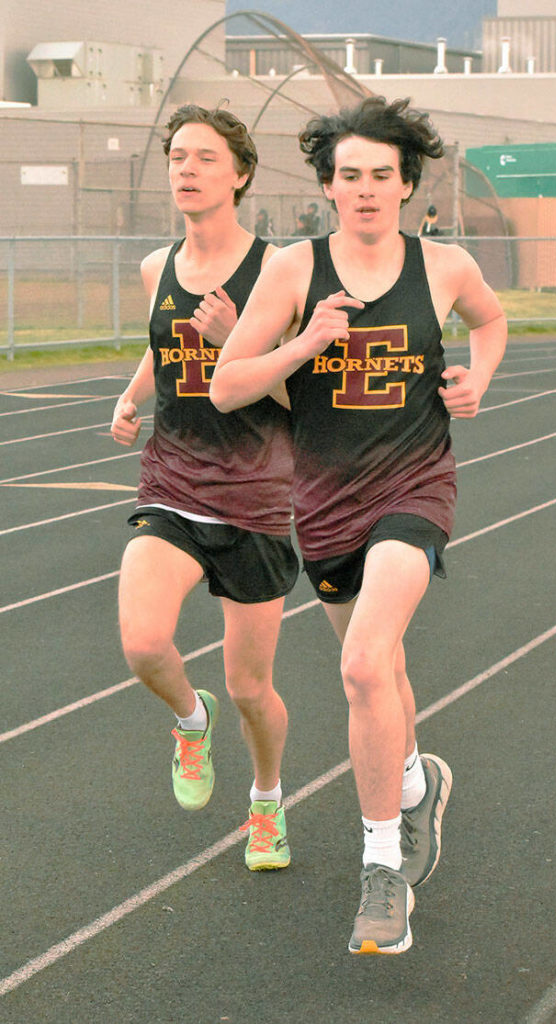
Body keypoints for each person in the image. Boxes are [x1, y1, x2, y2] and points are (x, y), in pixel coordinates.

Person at [210, 96, 507, 951]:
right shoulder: (294, 271)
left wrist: (477, 376)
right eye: (351, 177)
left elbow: (491, 322)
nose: (368, 190)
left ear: (409, 184)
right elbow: (228, 385)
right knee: (381, 673)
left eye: (384, 175)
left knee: (365, 662)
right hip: (326, 504)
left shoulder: (443, 266)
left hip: (415, 485)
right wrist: (304, 345)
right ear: (329, 188)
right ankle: (414, 784)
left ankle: (382, 868)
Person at [110, 104, 298, 871]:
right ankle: (191, 722)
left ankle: (266, 801)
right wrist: (129, 397)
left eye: (205, 158)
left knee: (251, 689)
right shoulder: (159, 268)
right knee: (144, 641)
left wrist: (237, 349)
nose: (186, 170)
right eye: (177, 156)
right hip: (173, 480)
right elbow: (163, 349)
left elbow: (308, 401)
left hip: (255, 497)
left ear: (241, 173)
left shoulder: (278, 272)